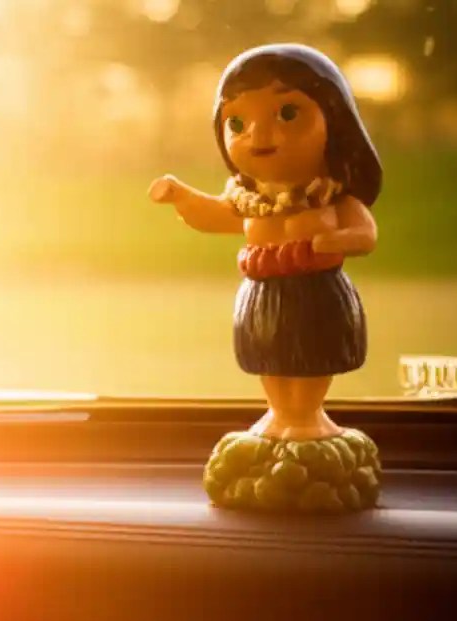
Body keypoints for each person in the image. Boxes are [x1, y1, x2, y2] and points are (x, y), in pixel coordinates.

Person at [149, 43, 382, 441]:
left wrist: (336, 240)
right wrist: (180, 196)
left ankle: (306, 415)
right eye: (237, 123)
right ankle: (280, 413)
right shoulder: (250, 202)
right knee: (269, 356)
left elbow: (365, 234)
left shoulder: (330, 196)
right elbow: (212, 214)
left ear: (335, 122)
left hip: (317, 291)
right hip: (263, 291)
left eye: (287, 113)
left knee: (314, 356)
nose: (258, 135)